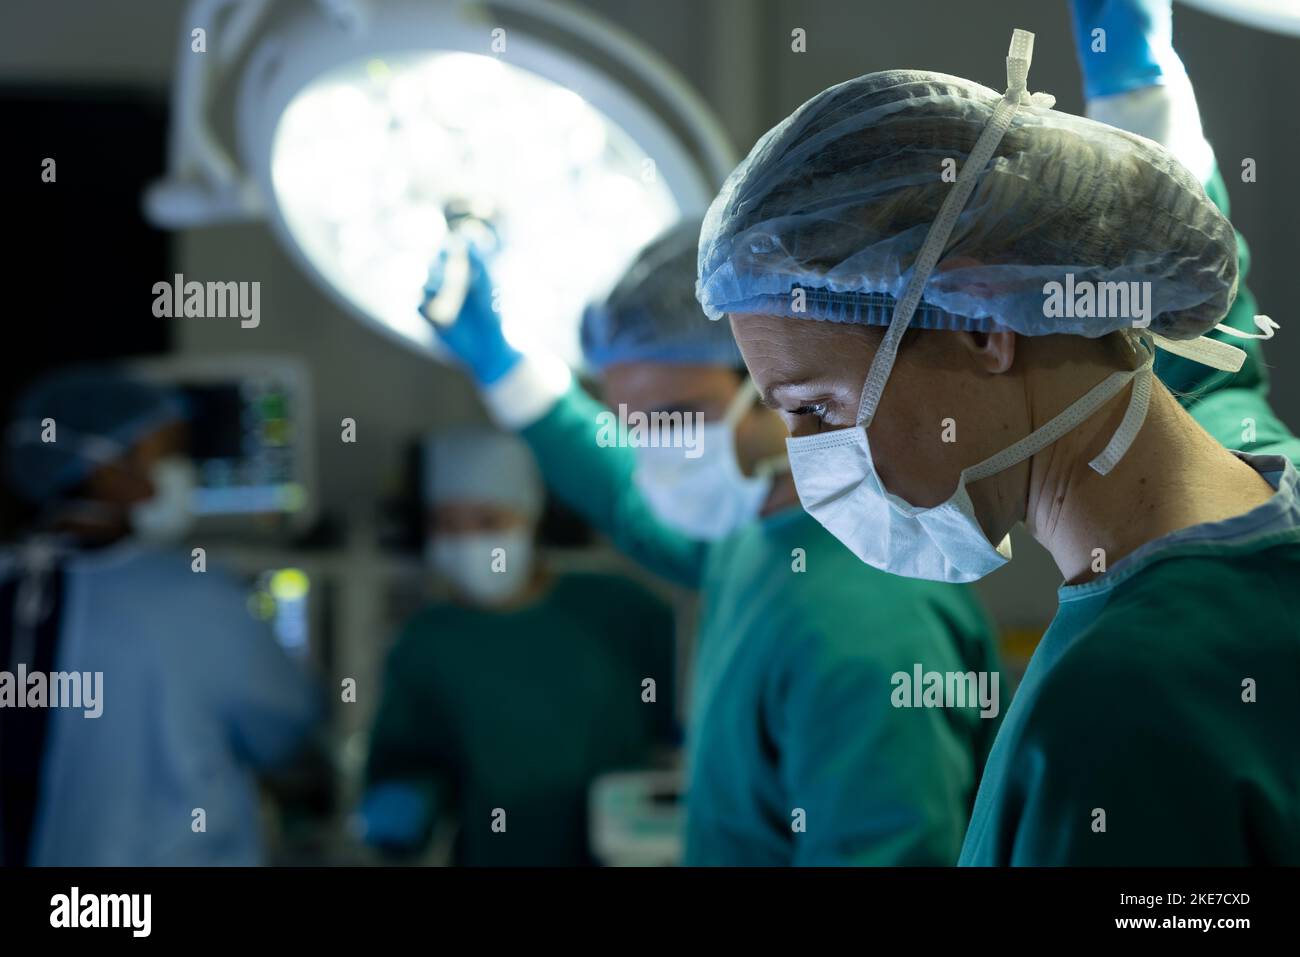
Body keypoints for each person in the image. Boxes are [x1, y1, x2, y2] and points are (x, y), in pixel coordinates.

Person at [695, 8, 1300, 865]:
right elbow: (1207, 374)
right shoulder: (1270, 489)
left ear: (984, 328)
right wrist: (1137, 95)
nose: (803, 460)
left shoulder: (1114, 714)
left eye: (818, 407)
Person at [418, 221, 1003, 865]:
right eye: (630, 425)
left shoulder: (866, 626)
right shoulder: (756, 539)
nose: (656, 453)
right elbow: (628, 500)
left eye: (678, 419)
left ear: (782, 388)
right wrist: (505, 371)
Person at [0, 367, 321, 866]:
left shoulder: (13, 583)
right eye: (166, 455)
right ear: (105, 467)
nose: (179, 473)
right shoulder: (196, 598)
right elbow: (282, 730)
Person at [361, 427, 676, 866]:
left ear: (529, 516)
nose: (467, 541)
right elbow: (404, 763)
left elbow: (685, 734)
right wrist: (405, 802)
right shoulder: (426, 642)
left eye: (488, 522)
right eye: (447, 525)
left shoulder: (621, 611)